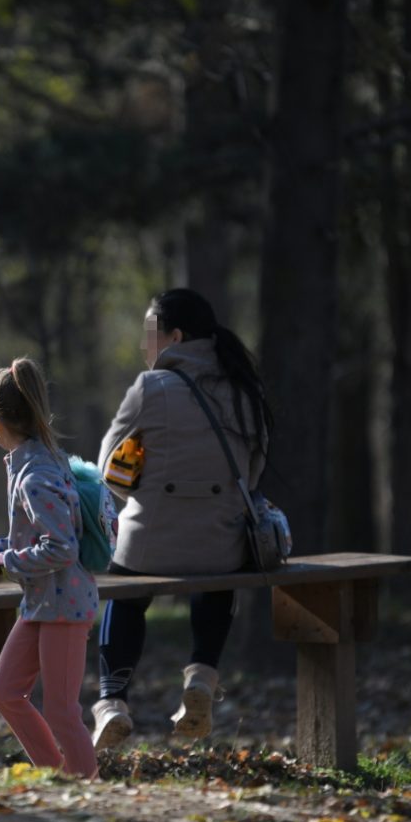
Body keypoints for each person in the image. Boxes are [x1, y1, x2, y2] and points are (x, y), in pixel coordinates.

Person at [90, 288, 273, 750]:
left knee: (125, 596)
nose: (143, 345)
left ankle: (112, 701)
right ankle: (202, 677)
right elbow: (253, 471)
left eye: (149, 334)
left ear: (174, 337)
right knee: (218, 576)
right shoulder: (244, 388)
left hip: (150, 543)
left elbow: (107, 469)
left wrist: (142, 483)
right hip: (222, 544)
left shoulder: (150, 387)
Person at [0, 358, 99, 780]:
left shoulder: (35, 475)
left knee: (62, 712)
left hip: (64, 605)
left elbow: (61, 548)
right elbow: (41, 534)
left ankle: (89, 788)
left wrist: (2, 564)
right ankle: (56, 775)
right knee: (5, 691)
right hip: (42, 602)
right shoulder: (35, 464)